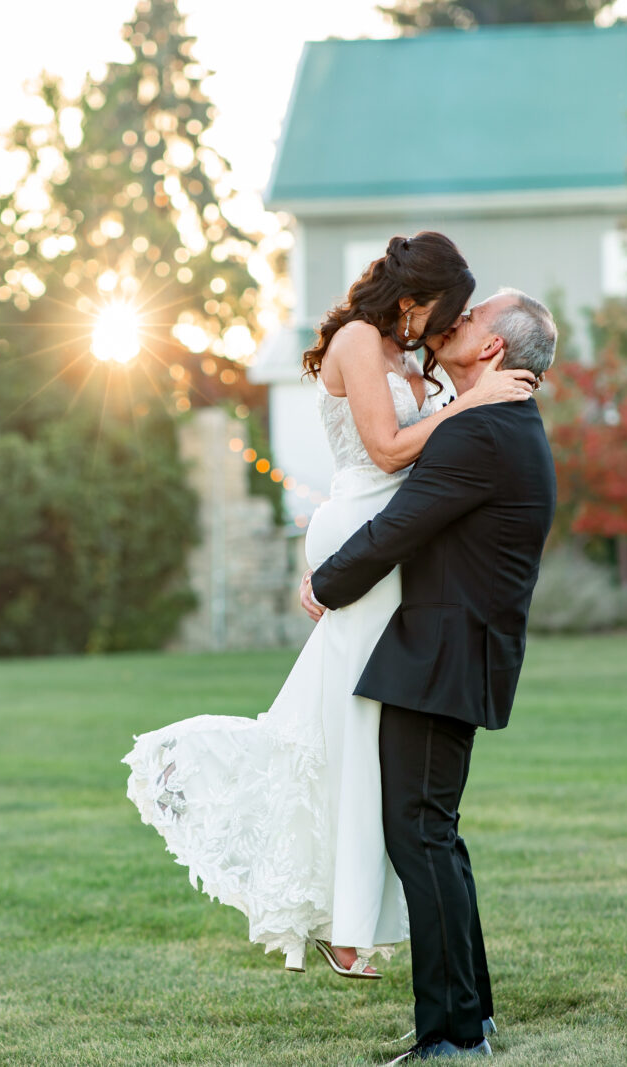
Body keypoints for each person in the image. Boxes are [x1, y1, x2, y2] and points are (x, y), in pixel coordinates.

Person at [121, 233, 538, 979]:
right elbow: (383, 450)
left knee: (354, 729)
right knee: (356, 728)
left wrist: (464, 396)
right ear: (413, 301)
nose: (450, 325)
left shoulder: (412, 358)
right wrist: (472, 403)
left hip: (389, 546)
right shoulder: (355, 339)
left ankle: (348, 921)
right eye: (446, 311)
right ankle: (341, 918)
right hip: (366, 533)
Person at [301, 287, 559, 1062]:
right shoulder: (495, 420)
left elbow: (400, 527)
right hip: (454, 651)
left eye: (473, 319)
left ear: (492, 350)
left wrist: (323, 581)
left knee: (420, 835)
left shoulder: (484, 428)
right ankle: (468, 1019)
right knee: (434, 835)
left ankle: (449, 1033)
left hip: (440, 654)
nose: (456, 322)